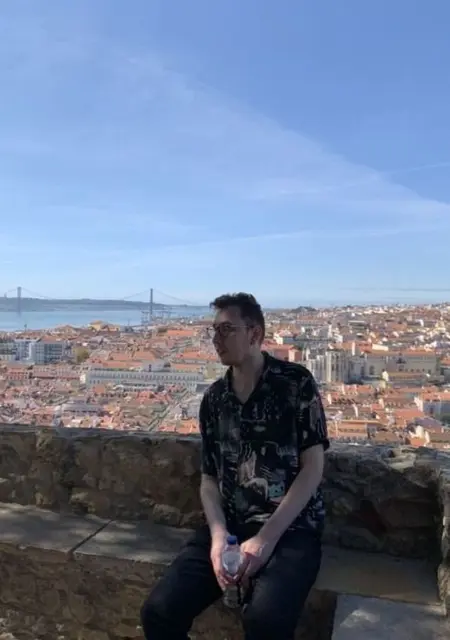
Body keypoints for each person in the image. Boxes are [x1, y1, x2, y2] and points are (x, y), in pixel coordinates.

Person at [141, 292, 329, 640]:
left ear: (255, 333)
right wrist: (217, 538)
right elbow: (209, 479)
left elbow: (313, 468)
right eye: (214, 331)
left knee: (265, 622)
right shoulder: (214, 399)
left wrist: (264, 540)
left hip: (291, 530)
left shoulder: (296, 384)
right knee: (158, 612)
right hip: (229, 528)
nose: (216, 339)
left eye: (226, 330)